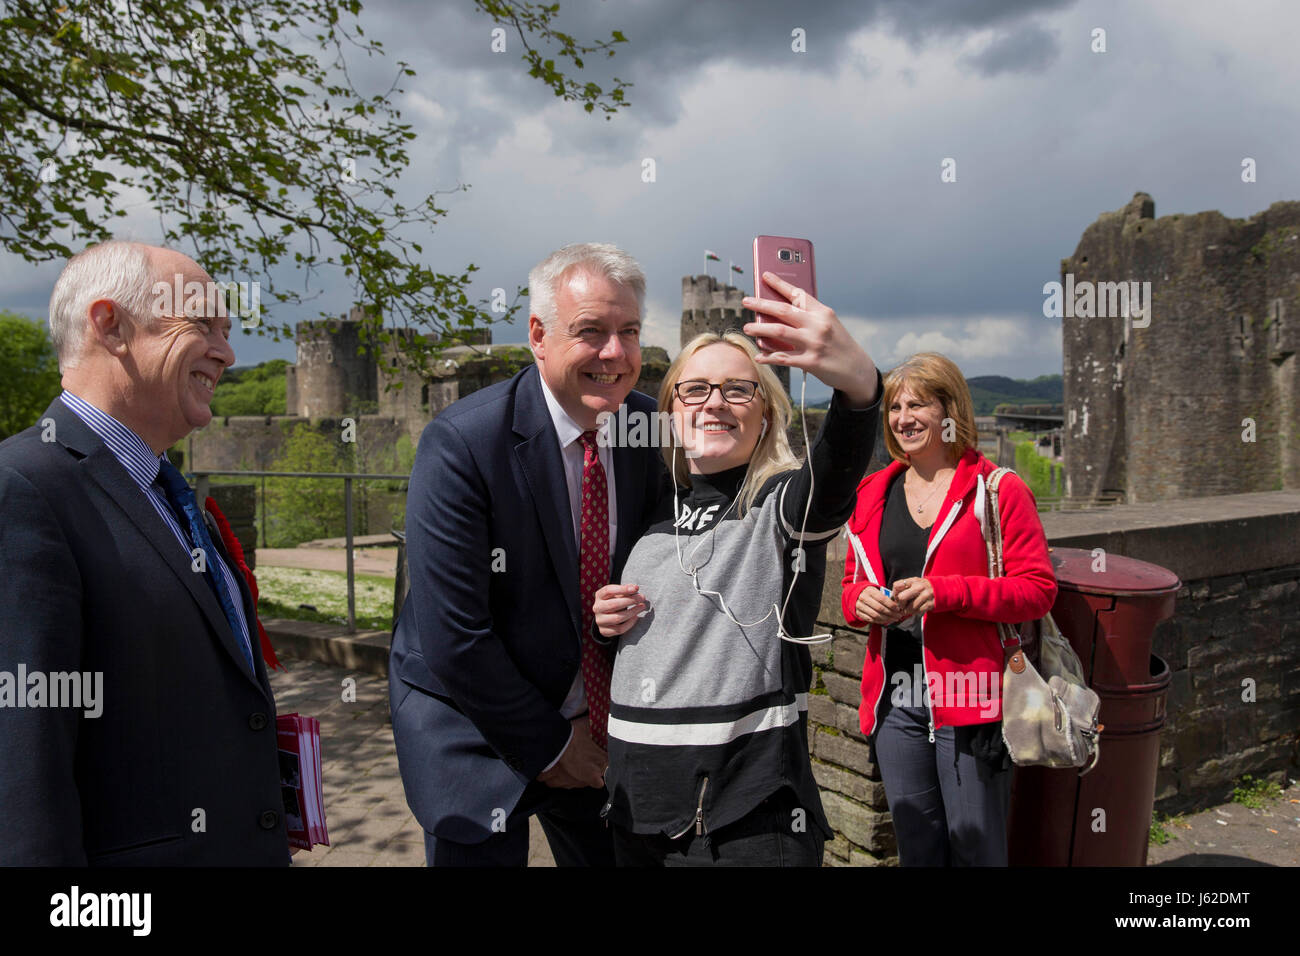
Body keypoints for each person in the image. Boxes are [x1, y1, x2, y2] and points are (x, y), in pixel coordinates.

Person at [0, 240, 289, 865]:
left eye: (228, 331)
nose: (227, 353)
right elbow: (21, 771)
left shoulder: (165, 490)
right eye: (201, 324)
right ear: (111, 326)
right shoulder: (22, 490)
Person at [389, 242, 664, 866]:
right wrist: (552, 747)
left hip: (599, 726)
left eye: (629, 332)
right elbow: (455, 635)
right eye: (590, 331)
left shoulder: (650, 426)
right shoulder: (462, 442)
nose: (615, 354)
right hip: (473, 725)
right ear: (538, 335)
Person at [593, 272, 881, 866]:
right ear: (670, 411)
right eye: (693, 390)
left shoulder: (776, 508)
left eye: (738, 390)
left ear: (768, 416)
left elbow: (832, 478)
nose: (714, 403)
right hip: (635, 808)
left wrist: (858, 387)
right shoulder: (653, 520)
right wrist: (608, 620)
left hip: (738, 820)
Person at [839, 351, 1057, 866]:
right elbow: (851, 583)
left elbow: (1038, 589)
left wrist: (951, 592)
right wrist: (858, 602)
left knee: (976, 849)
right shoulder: (873, 491)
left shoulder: (997, 489)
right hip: (896, 699)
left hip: (972, 698)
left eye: (919, 404)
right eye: (894, 406)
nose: (904, 417)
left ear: (950, 411)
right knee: (917, 849)